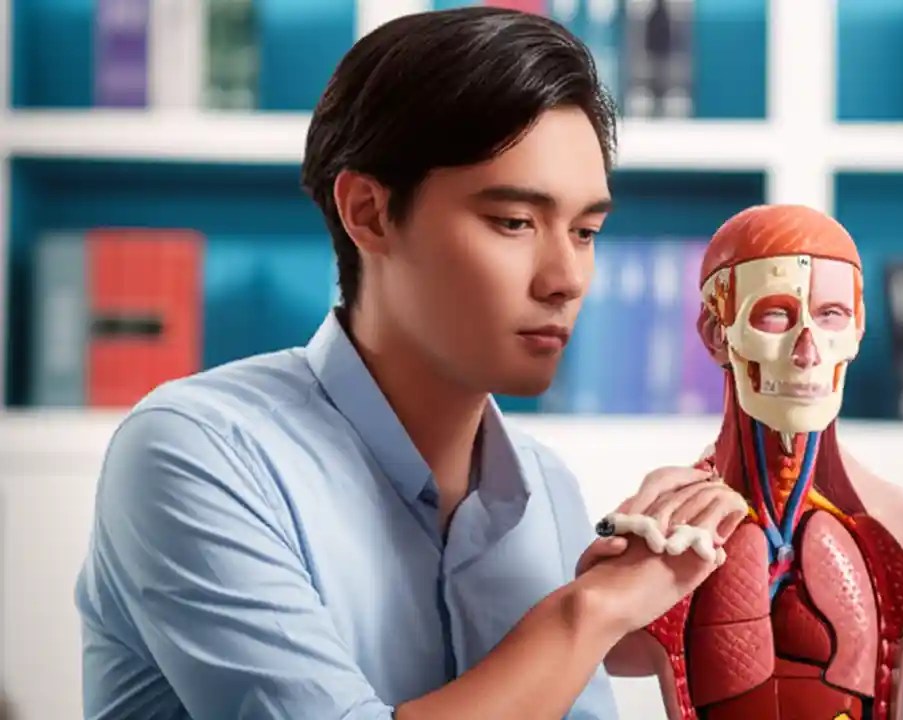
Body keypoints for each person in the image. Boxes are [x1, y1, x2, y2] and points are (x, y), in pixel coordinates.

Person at [73, 8, 747, 719]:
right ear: (369, 212)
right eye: (514, 222)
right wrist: (593, 610)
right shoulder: (197, 451)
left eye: (585, 231)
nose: (568, 278)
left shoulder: (547, 490)